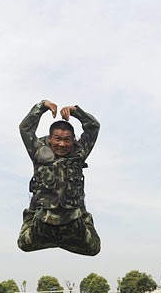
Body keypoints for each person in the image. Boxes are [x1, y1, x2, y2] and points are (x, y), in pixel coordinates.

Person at [18, 100, 101, 256]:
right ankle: (31, 216)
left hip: (72, 221)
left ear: (73, 140)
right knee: (23, 244)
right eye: (57, 139)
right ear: (50, 139)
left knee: (94, 248)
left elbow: (93, 127)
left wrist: (75, 111)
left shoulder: (79, 153)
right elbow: (25, 129)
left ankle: (83, 219)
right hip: (44, 220)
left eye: (67, 140)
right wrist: (41, 107)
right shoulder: (38, 152)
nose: (62, 144)